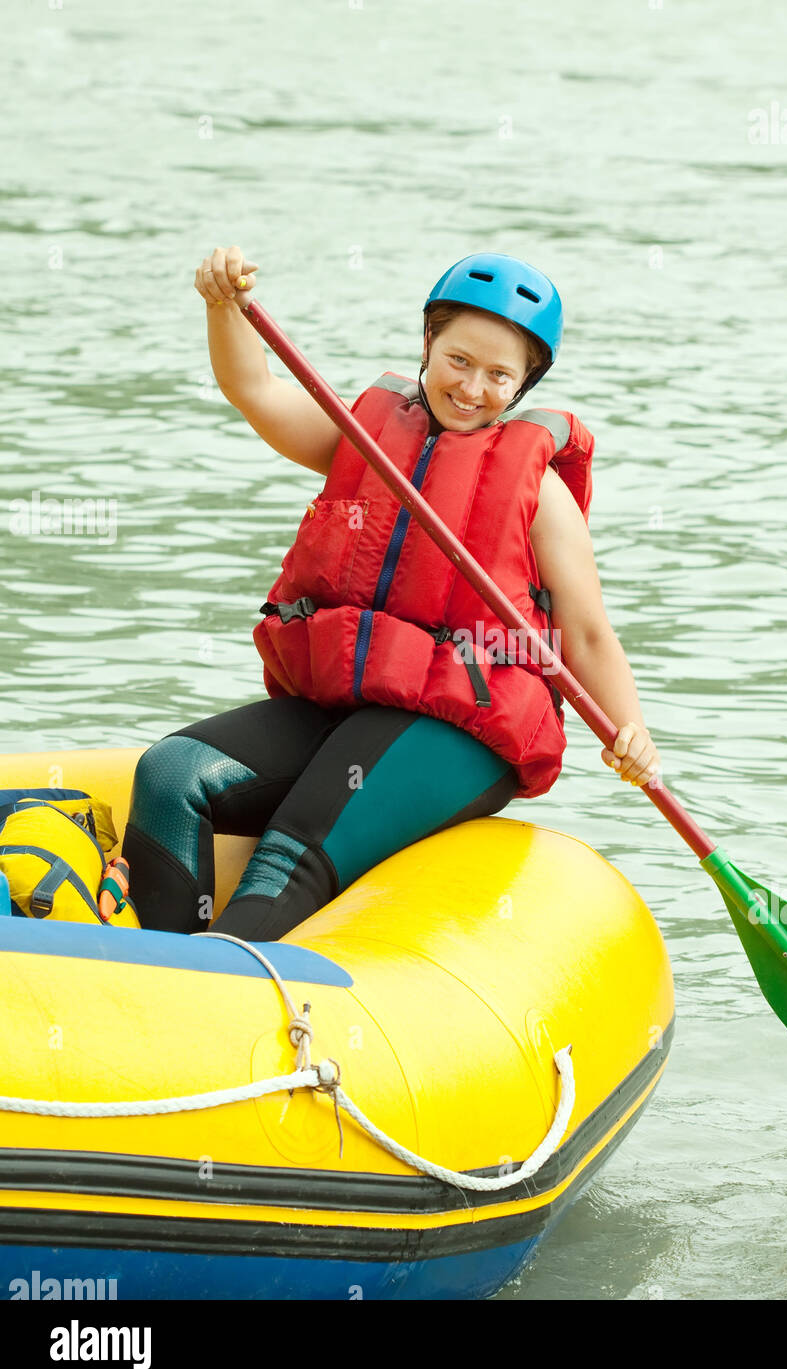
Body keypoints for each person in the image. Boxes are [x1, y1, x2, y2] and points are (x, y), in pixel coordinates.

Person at [121, 248, 660, 942]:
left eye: (499, 375)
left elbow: (584, 633)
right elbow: (252, 389)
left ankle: (217, 991)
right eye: (459, 360)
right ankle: (149, 964)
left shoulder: (540, 493)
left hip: (463, 723)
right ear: (428, 344)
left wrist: (630, 729)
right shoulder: (365, 439)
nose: (472, 388)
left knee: (294, 845)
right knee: (171, 775)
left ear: (524, 384)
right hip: (351, 701)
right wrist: (222, 305)